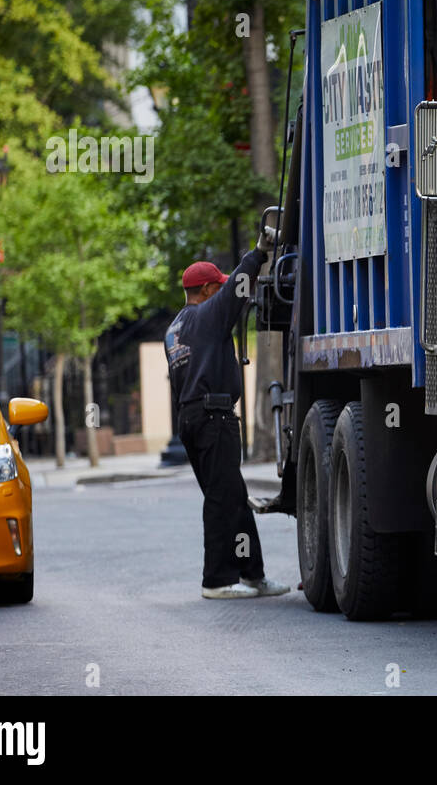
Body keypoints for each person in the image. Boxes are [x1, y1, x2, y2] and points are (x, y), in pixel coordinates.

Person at [165, 229, 289, 599]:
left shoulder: (174, 329)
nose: (221, 290)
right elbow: (237, 287)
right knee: (223, 500)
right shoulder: (206, 316)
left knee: (233, 497)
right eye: (215, 286)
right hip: (213, 418)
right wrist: (259, 253)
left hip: (192, 419)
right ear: (204, 291)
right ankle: (217, 580)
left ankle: (252, 573)